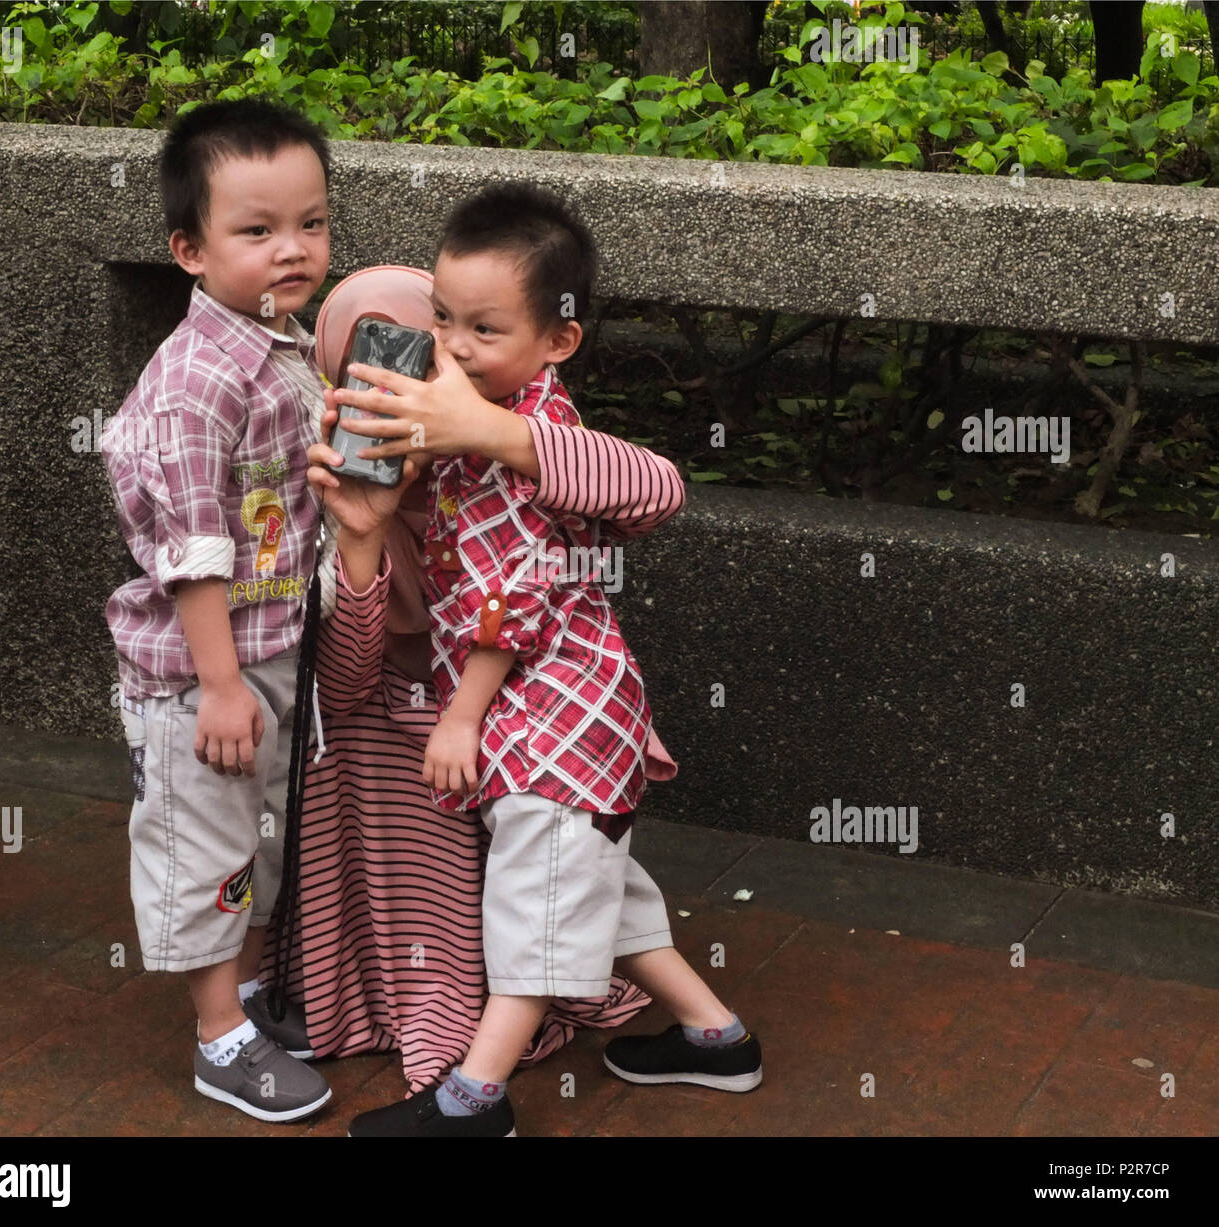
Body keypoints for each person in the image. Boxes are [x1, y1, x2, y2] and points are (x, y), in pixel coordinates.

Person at [338, 184, 763, 1138]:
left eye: (484, 329)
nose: (453, 347)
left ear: (558, 338)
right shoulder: (492, 419)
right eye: (442, 319)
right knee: (598, 896)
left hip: (552, 720)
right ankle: (717, 1037)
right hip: (565, 722)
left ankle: (474, 1101)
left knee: (532, 918)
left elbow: (516, 594)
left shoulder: (529, 436)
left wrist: (460, 717)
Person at [273, 263, 691, 1104]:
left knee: (555, 888)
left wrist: (490, 433)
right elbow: (343, 688)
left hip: (525, 721)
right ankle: (714, 1032)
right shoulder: (333, 484)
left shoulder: (506, 455)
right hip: (410, 731)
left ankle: (476, 1089)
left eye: (421, 369)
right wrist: (362, 535)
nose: (400, 397)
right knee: (579, 880)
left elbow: (660, 490)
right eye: (367, 379)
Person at [101, 97, 338, 1123]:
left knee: (261, 840)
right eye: (257, 230)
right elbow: (193, 548)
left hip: (269, 647)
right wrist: (221, 684)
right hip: (204, 670)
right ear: (189, 250)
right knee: (204, 845)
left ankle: (247, 994)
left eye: (312, 223)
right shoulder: (199, 380)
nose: (292, 248)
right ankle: (218, 1036)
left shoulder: (281, 341)